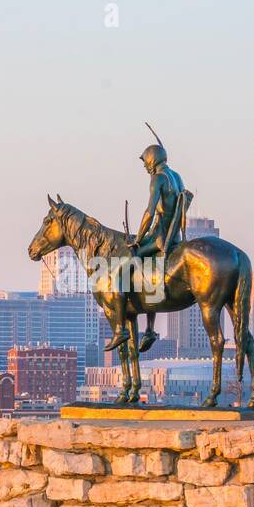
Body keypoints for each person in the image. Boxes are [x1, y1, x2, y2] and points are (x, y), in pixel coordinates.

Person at [104, 138, 190, 352]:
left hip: (158, 237)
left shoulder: (158, 179)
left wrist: (138, 239)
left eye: (145, 164)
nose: (145, 168)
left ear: (152, 160)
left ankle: (120, 330)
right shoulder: (176, 177)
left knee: (118, 273)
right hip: (175, 238)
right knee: (147, 272)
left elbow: (149, 212)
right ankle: (150, 330)